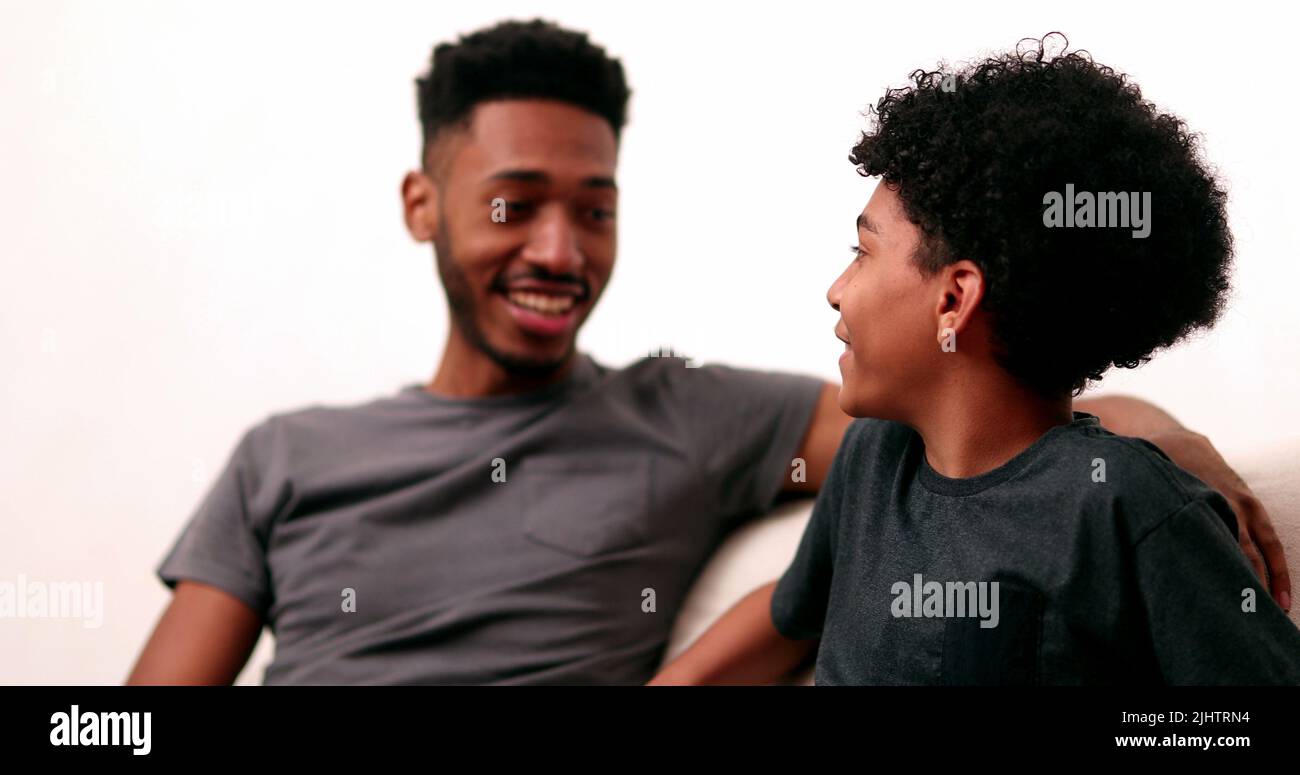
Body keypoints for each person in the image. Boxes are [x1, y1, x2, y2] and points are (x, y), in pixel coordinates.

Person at [129, 22, 1288, 685]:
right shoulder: (282, 456)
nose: (557, 248)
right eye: (513, 205)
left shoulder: (691, 416)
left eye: (594, 207)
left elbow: (993, 423)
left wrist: (1170, 441)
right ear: (422, 203)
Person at [651, 35, 1300, 685]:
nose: (837, 289)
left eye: (862, 252)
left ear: (953, 299)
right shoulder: (874, 459)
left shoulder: (1126, 508)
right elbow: (792, 612)